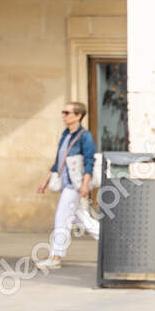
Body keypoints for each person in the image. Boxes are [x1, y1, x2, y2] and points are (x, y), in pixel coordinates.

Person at [37, 100, 98, 269]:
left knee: (61, 218)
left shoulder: (85, 136)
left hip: (75, 186)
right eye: (63, 112)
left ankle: (56, 257)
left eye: (67, 113)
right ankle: (113, 245)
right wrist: (45, 182)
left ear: (78, 116)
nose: (63, 116)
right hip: (65, 184)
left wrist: (85, 185)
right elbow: (58, 162)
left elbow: (89, 162)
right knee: (84, 220)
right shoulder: (65, 135)